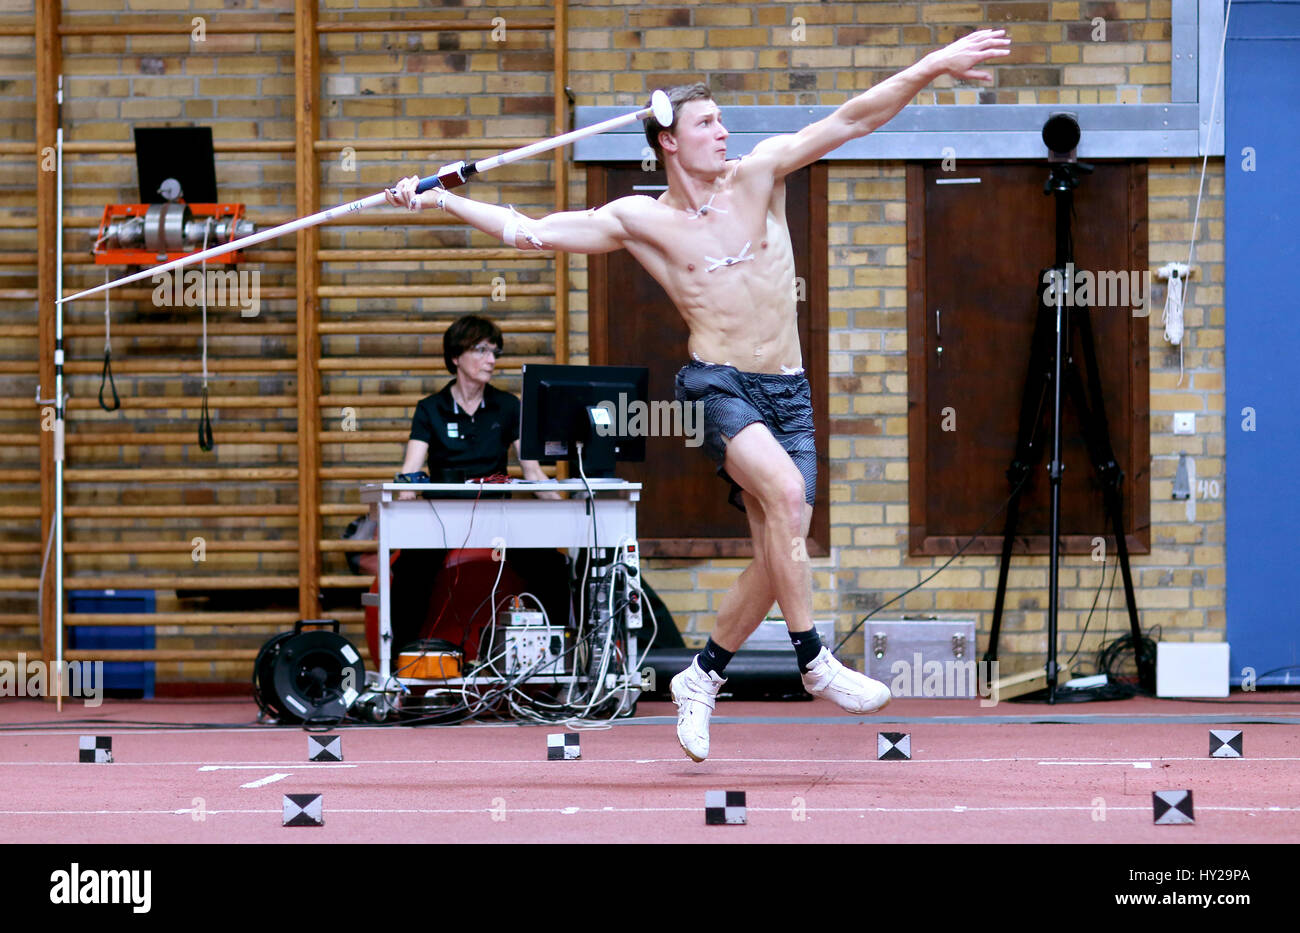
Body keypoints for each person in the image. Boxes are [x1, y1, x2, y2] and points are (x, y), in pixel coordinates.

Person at [386, 29, 1012, 760]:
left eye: (722, 120)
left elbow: (855, 117)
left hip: (789, 391)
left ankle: (701, 676)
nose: (723, 132)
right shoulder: (641, 218)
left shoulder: (759, 175)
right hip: (718, 384)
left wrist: (934, 63)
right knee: (783, 496)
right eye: (707, 124)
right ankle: (815, 657)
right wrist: (440, 200)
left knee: (780, 546)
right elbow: (529, 233)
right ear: (669, 142)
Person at [387, 314, 560, 656]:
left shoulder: (509, 406)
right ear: (456, 357)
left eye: (495, 352)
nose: (491, 360)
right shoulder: (430, 409)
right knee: (408, 572)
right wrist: (405, 493)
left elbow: (533, 472)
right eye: (481, 350)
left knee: (552, 567)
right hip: (443, 521)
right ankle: (402, 668)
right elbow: (410, 470)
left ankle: (559, 667)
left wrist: (565, 509)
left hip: (498, 519)